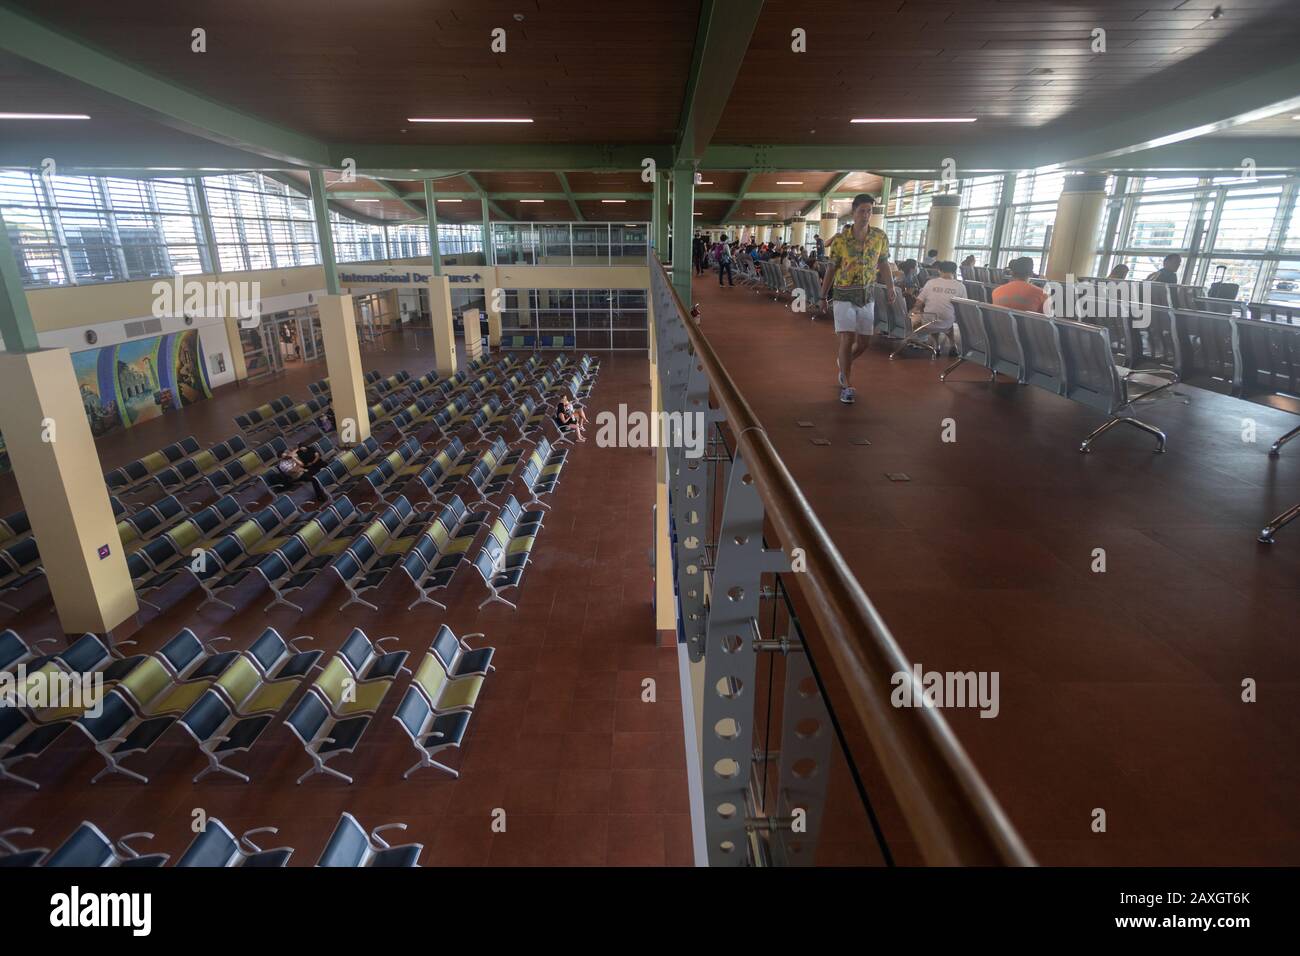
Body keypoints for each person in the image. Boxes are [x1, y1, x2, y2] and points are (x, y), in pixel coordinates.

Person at [820, 193, 896, 405]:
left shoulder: (879, 237)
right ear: (853, 212)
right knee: (848, 338)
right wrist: (823, 296)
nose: (866, 215)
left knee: (864, 343)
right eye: (862, 210)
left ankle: (844, 364)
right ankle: (846, 385)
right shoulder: (840, 240)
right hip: (843, 294)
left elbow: (884, 264)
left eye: (869, 211)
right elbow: (832, 268)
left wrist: (891, 287)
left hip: (867, 296)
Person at [909, 261, 964, 355]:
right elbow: (963, 307)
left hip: (928, 322)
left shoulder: (930, 283)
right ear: (954, 272)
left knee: (932, 314)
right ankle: (953, 345)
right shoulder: (960, 286)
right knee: (948, 315)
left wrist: (912, 312)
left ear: (939, 271)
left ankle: (936, 344)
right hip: (947, 322)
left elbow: (918, 303)